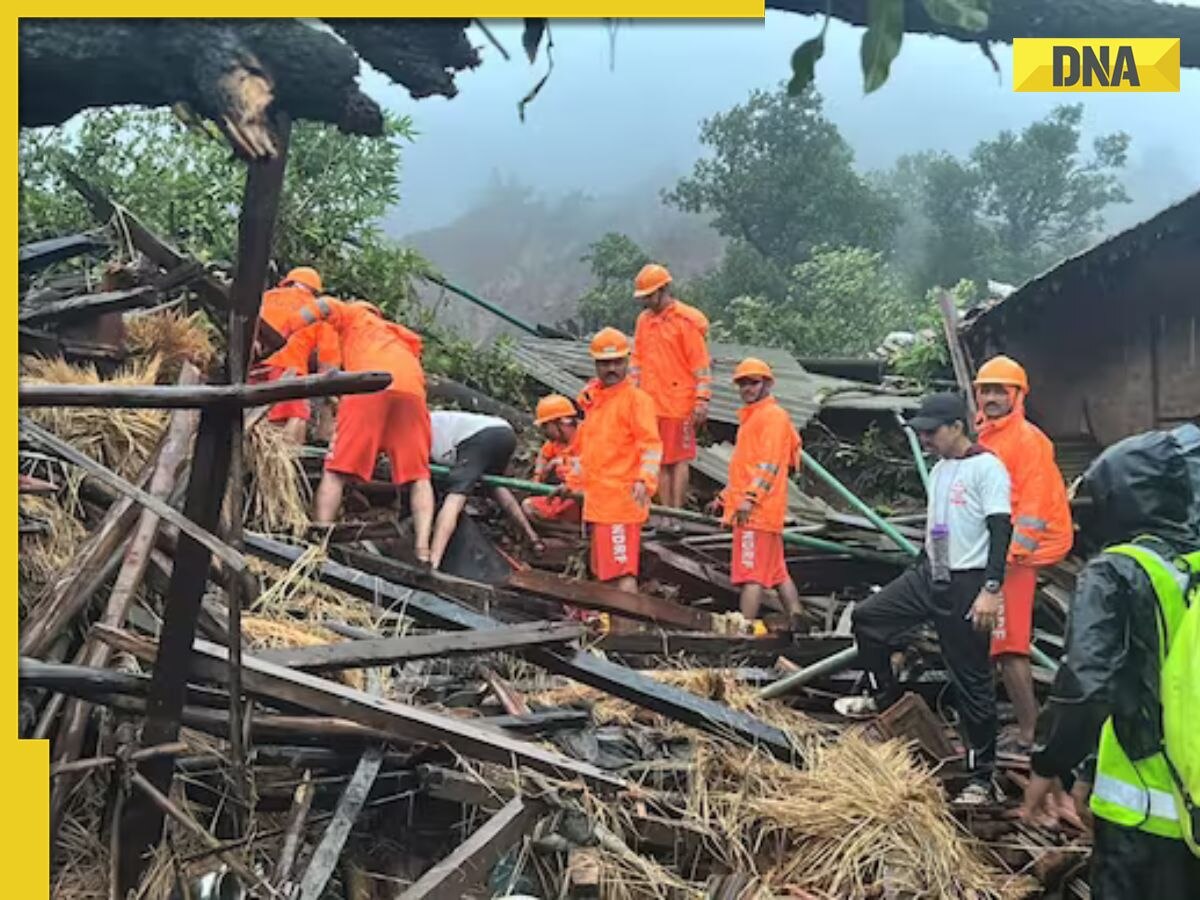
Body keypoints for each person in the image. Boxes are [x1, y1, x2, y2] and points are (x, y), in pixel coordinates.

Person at [1021, 423, 1200, 898]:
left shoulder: (1116, 571)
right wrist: (1089, 772)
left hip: (1146, 817)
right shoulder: (1192, 567)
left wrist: (1050, 764)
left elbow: (1088, 683)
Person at [834, 392, 1012, 806]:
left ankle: (981, 778)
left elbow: (1001, 531)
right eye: (923, 433)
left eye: (932, 432)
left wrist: (991, 589)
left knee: (971, 679)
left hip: (970, 583)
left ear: (957, 427)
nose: (926, 440)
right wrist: (923, 568)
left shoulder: (988, 468)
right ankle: (884, 698)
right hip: (933, 572)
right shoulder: (940, 471)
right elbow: (939, 527)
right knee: (869, 619)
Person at [267, 297, 435, 560]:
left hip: (369, 384)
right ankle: (425, 552)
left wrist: (285, 330)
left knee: (336, 469)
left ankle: (319, 540)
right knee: (419, 477)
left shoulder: (353, 316)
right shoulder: (395, 335)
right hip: (413, 394)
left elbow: (322, 305)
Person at [974, 355, 1073, 752]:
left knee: (1009, 644)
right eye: (987, 390)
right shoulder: (987, 435)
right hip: (998, 552)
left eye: (1002, 390)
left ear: (1018, 396)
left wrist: (1008, 558)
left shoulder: (1028, 440)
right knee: (994, 641)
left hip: (1017, 557)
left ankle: (1031, 734)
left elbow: (1031, 506)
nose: (993, 397)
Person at [709, 358, 805, 629]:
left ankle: (743, 632)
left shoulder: (772, 417)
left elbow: (770, 464)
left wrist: (749, 500)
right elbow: (745, 468)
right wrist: (725, 498)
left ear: (767, 384)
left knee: (751, 575)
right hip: (758, 510)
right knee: (778, 574)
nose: (747, 388)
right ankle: (801, 625)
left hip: (757, 512)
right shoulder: (753, 418)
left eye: (753, 382)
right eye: (743, 383)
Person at [575, 327, 663, 593]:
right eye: (605, 363)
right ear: (595, 365)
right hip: (600, 502)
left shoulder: (637, 401)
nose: (611, 368)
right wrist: (574, 482)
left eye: (617, 362)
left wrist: (644, 481)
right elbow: (589, 452)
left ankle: (629, 631)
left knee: (622, 573)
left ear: (627, 362)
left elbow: (651, 446)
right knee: (605, 573)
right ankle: (617, 628)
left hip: (621, 501)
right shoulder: (596, 403)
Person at [629, 263, 711, 522]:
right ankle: (666, 515)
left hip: (680, 402)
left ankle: (677, 515)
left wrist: (701, 400)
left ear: (663, 290)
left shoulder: (684, 322)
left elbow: (701, 365)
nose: (645, 302)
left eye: (649, 296)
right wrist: (631, 394)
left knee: (679, 460)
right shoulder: (644, 321)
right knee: (661, 460)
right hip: (652, 403)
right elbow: (637, 359)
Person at [427, 410, 541, 570]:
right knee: (494, 484)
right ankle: (532, 536)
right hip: (504, 433)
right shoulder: (433, 420)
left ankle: (433, 561)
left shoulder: (416, 428)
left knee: (455, 498)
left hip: (478, 438)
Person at [253, 266, 340, 443]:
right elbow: (328, 362)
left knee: (252, 418)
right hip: (289, 370)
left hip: (253, 367)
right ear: (314, 291)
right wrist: (330, 399)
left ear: (288, 282)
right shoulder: (318, 310)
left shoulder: (266, 297)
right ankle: (286, 465)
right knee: (296, 415)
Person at [523, 394, 582, 526]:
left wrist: (562, 463)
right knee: (529, 507)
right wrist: (538, 475)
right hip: (564, 497)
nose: (543, 431)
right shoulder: (556, 441)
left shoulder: (589, 434)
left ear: (561, 422)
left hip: (587, 497)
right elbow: (543, 456)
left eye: (545, 426)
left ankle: (579, 536)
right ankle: (570, 534)